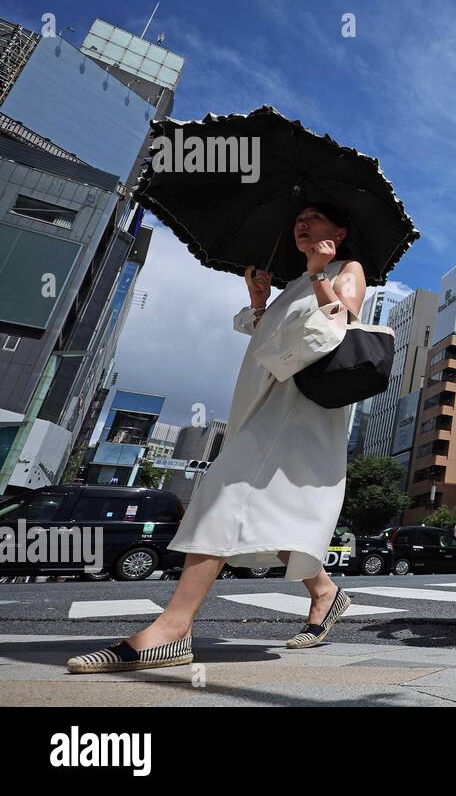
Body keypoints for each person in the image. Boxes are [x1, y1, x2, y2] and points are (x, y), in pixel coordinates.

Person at [68, 204, 365, 673]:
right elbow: (267, 338)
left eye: (313, 217)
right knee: (270, 507)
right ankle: (325, 592)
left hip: (300, 409)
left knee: (226, 492)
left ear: (340, 230)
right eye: (297, 219)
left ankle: (173, 628)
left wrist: (317, 275)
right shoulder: (293, 284)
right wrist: (261, 301)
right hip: (262, 401)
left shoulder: (347, 269)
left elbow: (342, 324)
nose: (301, 224)